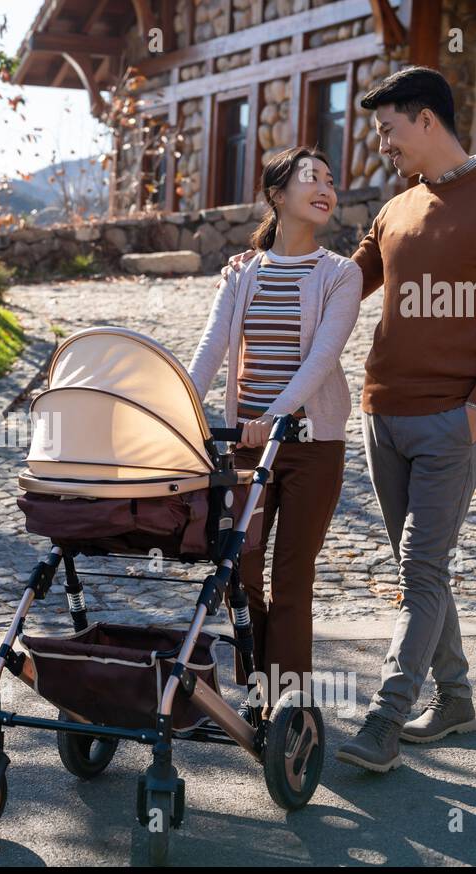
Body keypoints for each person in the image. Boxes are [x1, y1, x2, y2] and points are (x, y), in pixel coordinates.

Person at [223, 68, 476, 771]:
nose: (380, 144)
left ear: (426, 119)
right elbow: (341, 278)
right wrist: (269, 261)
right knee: (422, 566)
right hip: (381, 414)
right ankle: (455, 695)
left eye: (387, 129)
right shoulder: (396, 209)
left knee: (421, 566)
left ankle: (385, 719)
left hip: (451, 420)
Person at [186, 146, 363, 727]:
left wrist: (279, 415)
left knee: (292, 574)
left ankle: (287, 704)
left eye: (331, 180)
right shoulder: (242, 273)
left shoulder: (341, 274)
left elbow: (321, 358)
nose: (325, 188)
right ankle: (262, 687)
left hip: (311, 446)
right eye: (310, 178)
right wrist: (176, 405)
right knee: (242, 567)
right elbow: (213, 347)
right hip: (247, 446)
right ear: (277, 195)